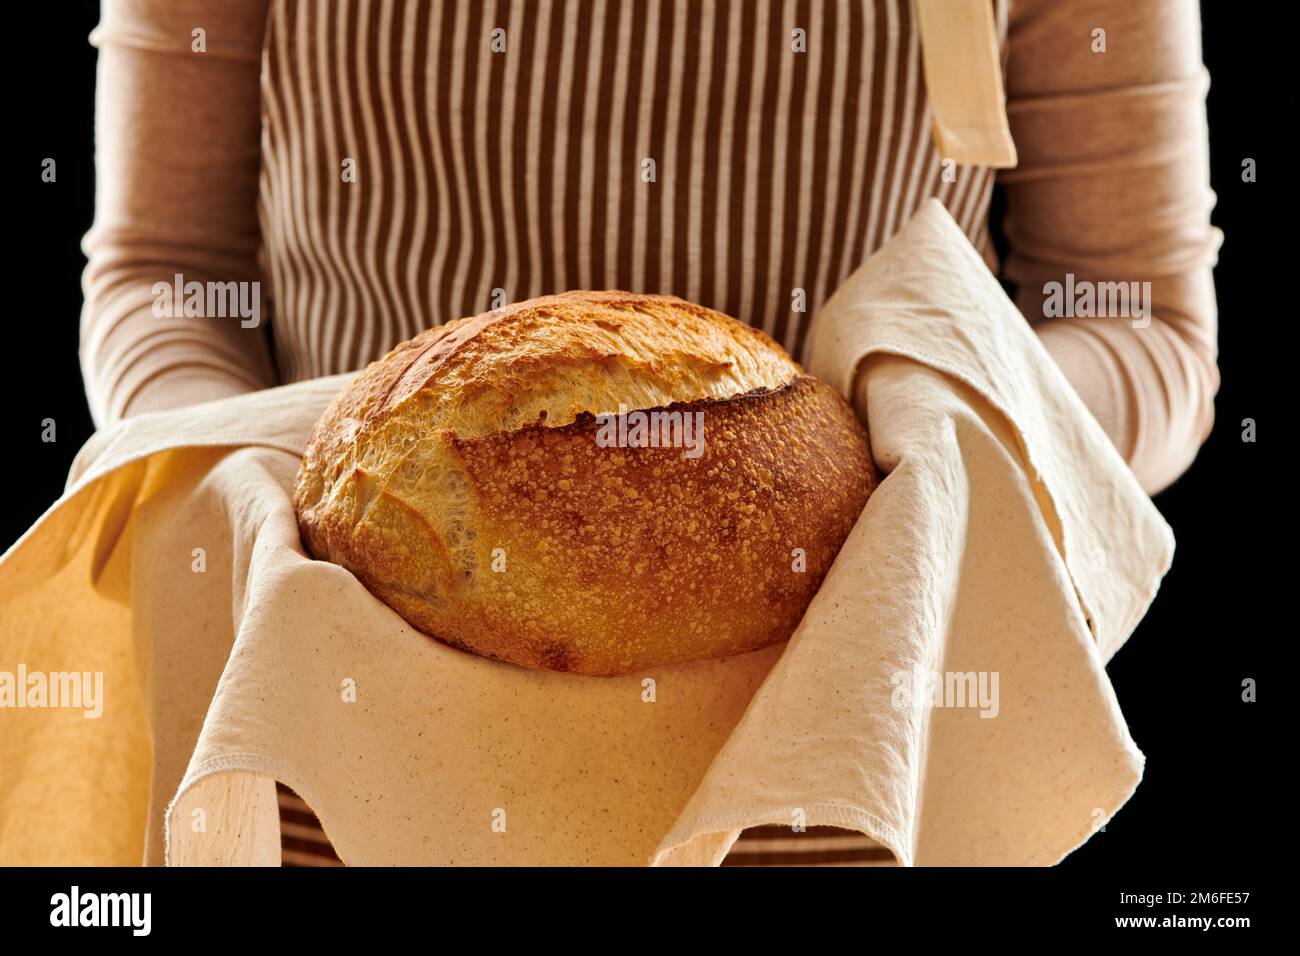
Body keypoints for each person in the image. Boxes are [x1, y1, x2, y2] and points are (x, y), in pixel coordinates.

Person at [81, 0, 1220, 866]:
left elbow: (1137, 318)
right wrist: (229, 470)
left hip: (847, 789)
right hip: (354, 764)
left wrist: (954, 434)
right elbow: (165, 273)